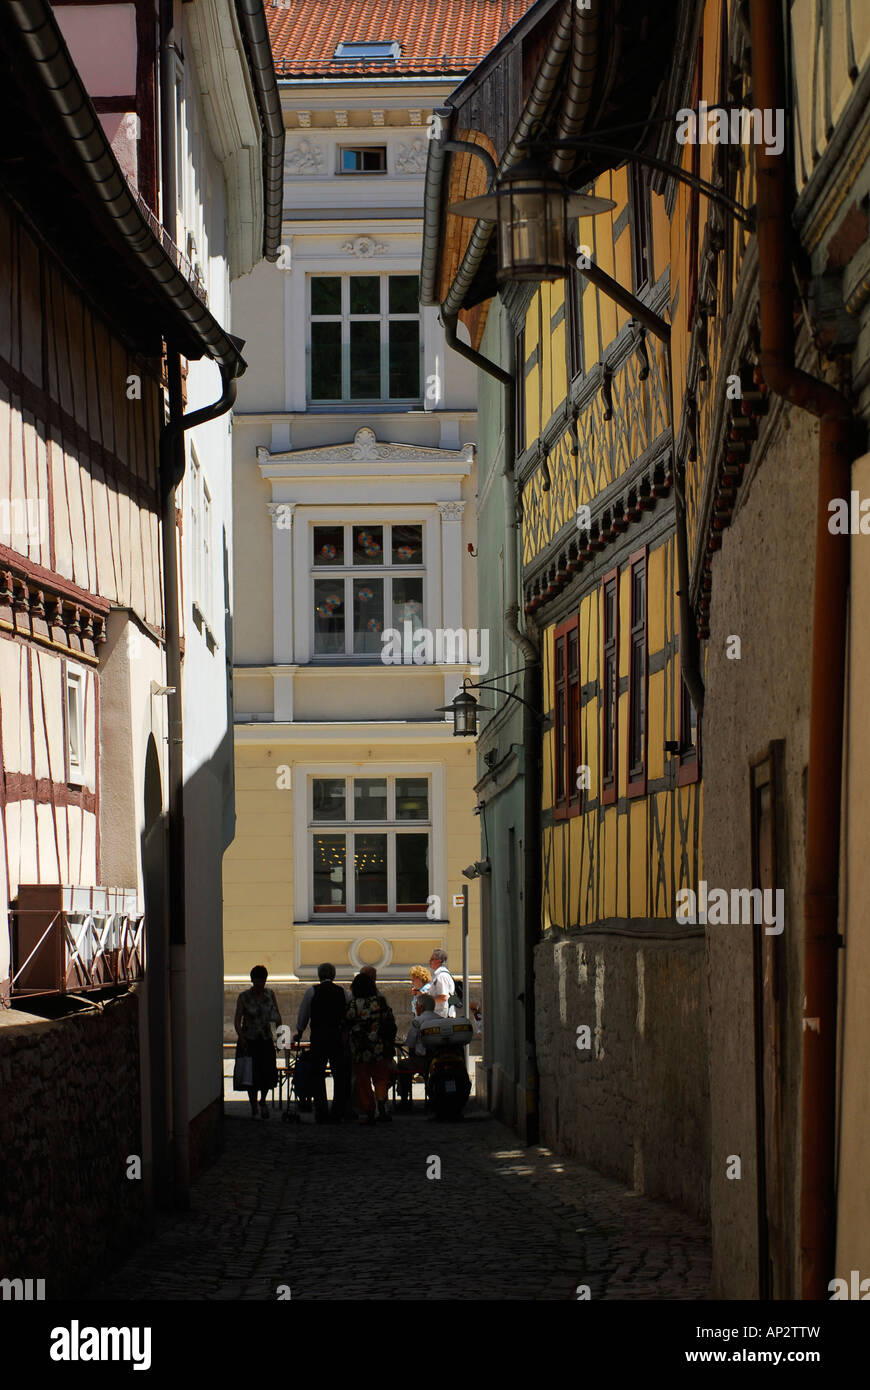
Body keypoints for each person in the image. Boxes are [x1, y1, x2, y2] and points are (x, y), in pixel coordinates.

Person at [294, 963, 349, 1124]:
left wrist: (300, 1030)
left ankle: (321, 1110)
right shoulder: (342, 992)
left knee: (317, 1074)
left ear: (319, 975)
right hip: (337, 1037)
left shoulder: (312, 991)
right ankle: (337, 1111)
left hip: (319, 1037)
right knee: (339, 1074)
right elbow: (348, 1014)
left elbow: (304, 1013)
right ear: (333, 975)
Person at [345, 972, 397, 1124]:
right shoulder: (380, 1002)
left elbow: (347, 1021)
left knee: (363, 1079)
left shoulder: (353, 1005)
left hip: (360, 1047)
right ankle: (381, 1104)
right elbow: (390, 1019)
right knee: (380, 1077)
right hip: (378, 1045)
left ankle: (369, 1110)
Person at [234, 966, 281, 1119]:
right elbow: (237, 1020)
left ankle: (262, 1101)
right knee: (251, 1075)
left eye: (263, 981)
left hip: (265, 1039)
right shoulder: (244, 997)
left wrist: (280, 1037)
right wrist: (241, 1037)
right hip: (249, 1041)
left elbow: (277, 1016)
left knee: (267, 1073)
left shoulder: (270, 994)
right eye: (258, 981)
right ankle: (254, 1105)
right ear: (252, 980)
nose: (260, 984)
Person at [424, 948, 456, 1018]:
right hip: (438, 1014)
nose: (429, 961)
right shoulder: (438, 975)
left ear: (439, 961)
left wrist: (427, 1000)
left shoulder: (442, 976)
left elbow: (443, 997)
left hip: (441, 1015)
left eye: (432, 959)